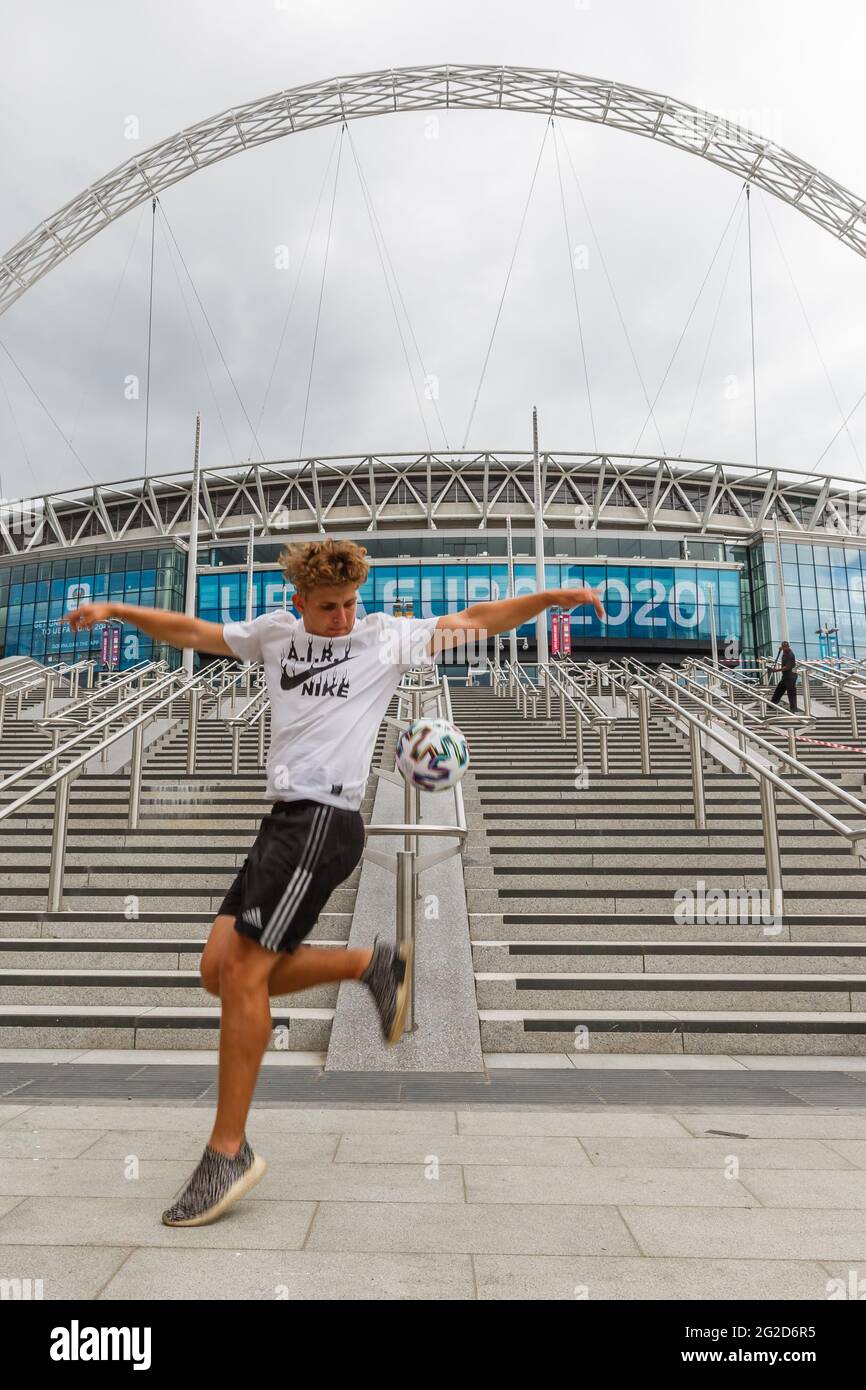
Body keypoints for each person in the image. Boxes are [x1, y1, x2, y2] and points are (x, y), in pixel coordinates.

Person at [62, 537, 604, 1227]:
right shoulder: (275, 634)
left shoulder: (384, 639)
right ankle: (371, 965)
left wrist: (547, 599)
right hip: (282, 823)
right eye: (327, 607)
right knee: (216, 970)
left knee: (247, 977)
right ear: (299, 602)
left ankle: (227, 1151)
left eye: (350, 604)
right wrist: (117, 610)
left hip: (326, 820)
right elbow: (193, 632)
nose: (342, 617)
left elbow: (479, 619)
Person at [768, 640, 798, 712]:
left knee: (791, 692)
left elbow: (787, 667)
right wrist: (780, 650)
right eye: (783, 647)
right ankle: (773, 704)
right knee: (779, 690)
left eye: (785, 647)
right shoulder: (784, 653)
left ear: (788, 647)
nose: (784, 649)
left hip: (791, 676)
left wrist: (776, 670)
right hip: (785, 677)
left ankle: (793, 708)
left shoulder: (790, 655)